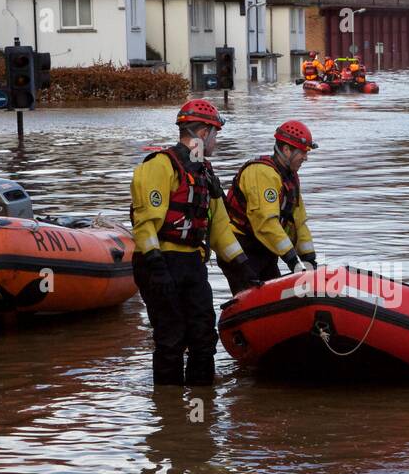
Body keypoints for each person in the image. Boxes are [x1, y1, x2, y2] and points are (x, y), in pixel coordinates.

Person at [130, 99, 258, 386]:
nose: (217, 141)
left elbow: (221, 230)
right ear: (203, 134)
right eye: (216, 134)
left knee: (203, 337)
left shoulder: (206, 174)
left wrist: (245, 271)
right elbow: (145, 223)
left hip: (191, 261)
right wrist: (156, 266)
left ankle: (201, 412)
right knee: (171, 337)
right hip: (159, 261)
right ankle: (169, 411)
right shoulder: (160, 166)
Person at [222, 120, 317, 293]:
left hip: (264, 250)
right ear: (287, 150)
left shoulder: (290, 177)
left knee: (275, 295)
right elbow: (266, 223)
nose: (306, 158)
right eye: (303, 152)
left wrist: (310, 260)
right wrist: (293, 261)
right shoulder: (262, 173)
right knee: (251, 298)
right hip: (242, 249)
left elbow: (298, 222)